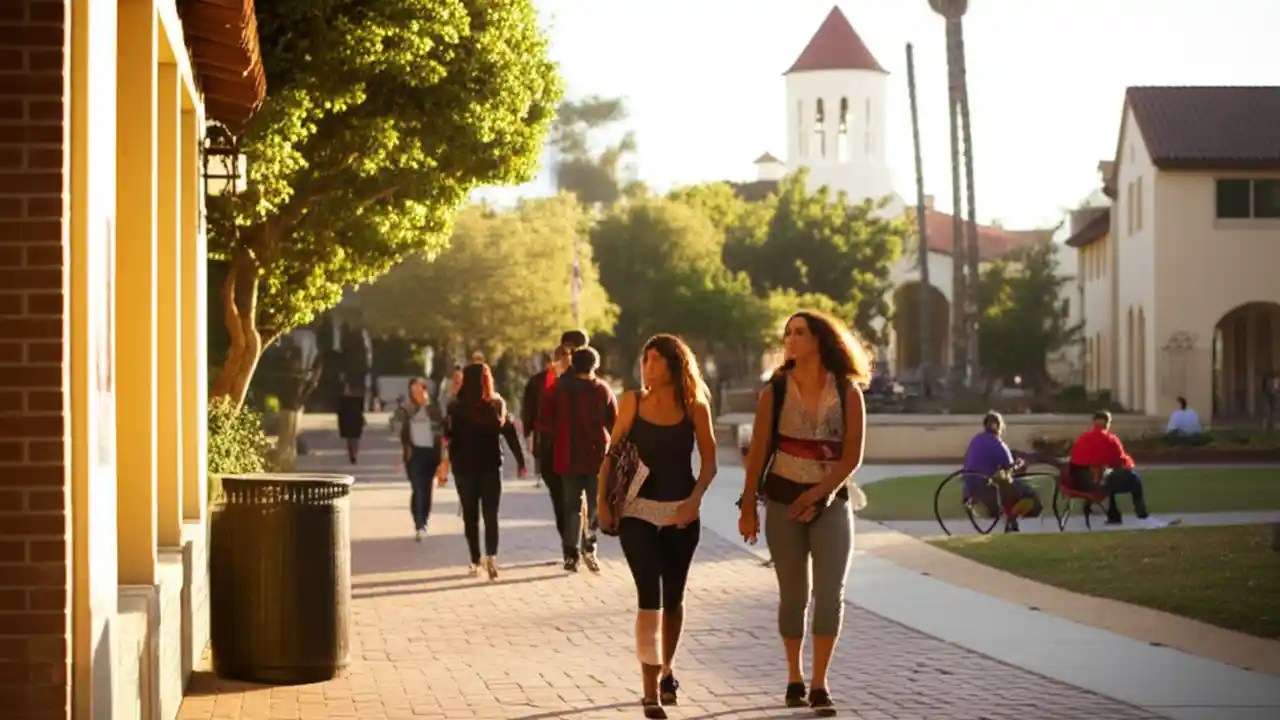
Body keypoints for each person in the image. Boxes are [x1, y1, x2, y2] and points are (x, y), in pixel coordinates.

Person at [738, 310, 868, 717]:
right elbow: (758, 449)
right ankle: (794, 676)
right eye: (787, 333)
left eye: (799, 332)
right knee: (793, 595)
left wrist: (818, 494)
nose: (790, 339)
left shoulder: (847, 391)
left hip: (831, 501)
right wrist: (747, 504)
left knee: (830, 594)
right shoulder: (773, 391)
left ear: (819, 339)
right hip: (782, 500)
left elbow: (852, 457)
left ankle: (819, 682)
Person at [597, 335, 717, 720]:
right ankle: (650, 692)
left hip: (681, 512)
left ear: (673, 363)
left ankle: (668, 669)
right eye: (644, 358)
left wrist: (694, 501)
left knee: (675, 598)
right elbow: (612, 456)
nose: (647, 365)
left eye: (654, 359)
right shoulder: (632, 401)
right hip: (638, 513)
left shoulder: (695, 408)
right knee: (650, 596)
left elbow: (710, 464)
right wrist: (602, 503)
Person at [441, 363, 527, 579]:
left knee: (470, 515)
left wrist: (444, 462)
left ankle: (474, 559)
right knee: (491, 515)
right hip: (490, 466)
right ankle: (491, 558)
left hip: (464, 467)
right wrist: (520, 460)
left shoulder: (455, 406)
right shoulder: (496, 405)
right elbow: (509, 433)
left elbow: (448, 436)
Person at [548, 346, 617, 573]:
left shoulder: (559, 389)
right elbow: (615, 425)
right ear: (594, 365)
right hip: (596, 455)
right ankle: (590, 545)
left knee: (572, 506)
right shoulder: (602, 390)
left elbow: (546, 421)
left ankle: (571, 554)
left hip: (567, 455)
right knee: (596, 503)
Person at [531, 330, 590, 564]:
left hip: (581, 453)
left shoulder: (592, 381)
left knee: (577, 501)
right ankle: (570, 548)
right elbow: (535, 416)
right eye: (569, 351)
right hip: (552, 452)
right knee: (561, 501)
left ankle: (582, 545)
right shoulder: (544, 382)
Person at [961, 412, 1041, 532]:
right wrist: (1020, 464)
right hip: (989, 489)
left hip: (970, 488)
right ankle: (1012, 516)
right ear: (999, 427)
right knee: (1032, 497)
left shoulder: (976, 439)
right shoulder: (999, 444)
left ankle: (1009, 517)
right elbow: (1010, 467)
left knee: (1006, 485)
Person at [1069, 411, 1148, 524]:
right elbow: (1121, 461)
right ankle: (1141, 511)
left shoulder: (1082, 439)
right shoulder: (1110, 439)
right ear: (1107, 423)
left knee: (1105, 476)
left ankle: (1111, 513)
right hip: (1101, 480)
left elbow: (1075, 459)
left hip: (1081, 481)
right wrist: (1129, 465)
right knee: (1133, 478)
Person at [391, 377, 444, 541]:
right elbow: (393, 425)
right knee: (418, 488)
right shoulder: (407, 410)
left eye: (419, 390)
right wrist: (407, 411)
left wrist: (445, 456)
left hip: (432, 453)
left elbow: (444, 429)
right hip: (414, 454)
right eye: (413, 392)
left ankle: (424, 520)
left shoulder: (434, 410)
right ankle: (419, 524)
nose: (417, 394)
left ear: (425, 389)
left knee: (426, 489)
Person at [337, 377, 366, 464]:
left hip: (353, 418)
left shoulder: (357, 398)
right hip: (349, 418)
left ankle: (353, 454)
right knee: (351, 439)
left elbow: (361, 410)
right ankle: (352, 455)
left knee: (354, 439)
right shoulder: (345, 399)